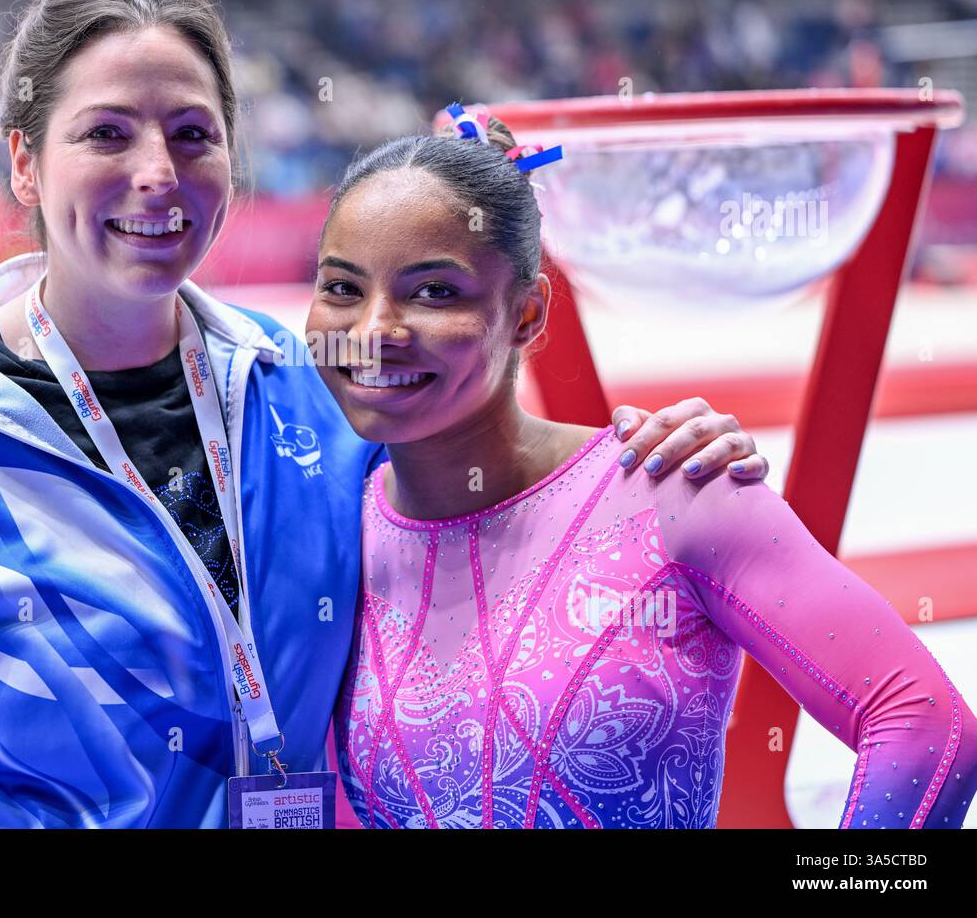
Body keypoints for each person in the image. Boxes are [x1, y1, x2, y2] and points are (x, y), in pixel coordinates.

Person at [0, 0, 769, 829]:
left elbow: (489, 491)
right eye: (106, 132)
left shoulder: (307, 395)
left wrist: (642, 463)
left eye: (192, 133)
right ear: (25, 161)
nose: (157, 170)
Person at [313, 108, 977, 829]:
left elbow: (927, 727)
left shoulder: (670, 489)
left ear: (528, 315)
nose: (374, 332)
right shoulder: (332, 522)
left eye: (435, 291)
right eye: (344, 288)